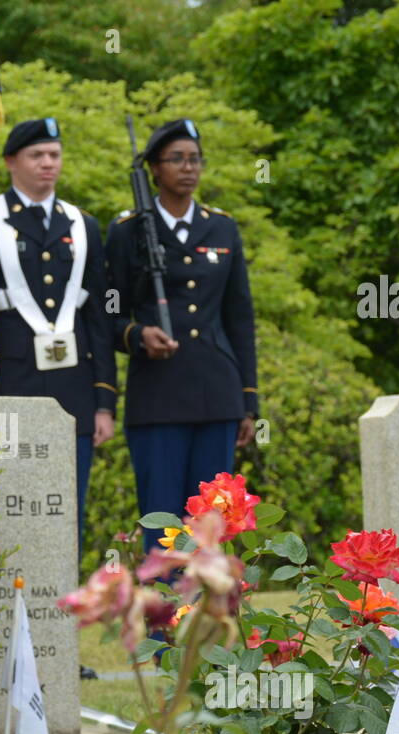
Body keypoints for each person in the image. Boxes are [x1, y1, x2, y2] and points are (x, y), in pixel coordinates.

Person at [106, 118, 258, 552]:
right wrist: (137, 335)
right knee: (163, 523)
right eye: (176, 159)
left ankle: (210, 619)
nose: (188, 168)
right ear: (154, 167)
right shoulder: (127, 229)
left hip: (217, 394)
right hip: (158, 397)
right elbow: (108, 309)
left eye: (195, 159)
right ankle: (163, 620)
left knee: (214, 522)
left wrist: (248, 401)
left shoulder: (222, 228)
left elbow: (239, 318)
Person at [0, 117, 116, 542]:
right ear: (10, 162)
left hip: (73, 392)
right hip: (9, 385)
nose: (47, 163)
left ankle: (63, 607)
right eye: (36, 155)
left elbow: (98, 317)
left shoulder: (83, 226)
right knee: (6, 512)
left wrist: (104, 402)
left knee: (65, 515)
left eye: (54, 155)